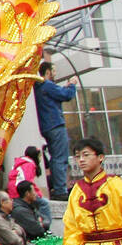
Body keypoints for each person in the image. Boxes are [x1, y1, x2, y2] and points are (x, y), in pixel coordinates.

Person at [35, 62, 77, 200]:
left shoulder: (40, 87)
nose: (55, 73)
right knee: (60, 157)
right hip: (55, 124)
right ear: (47, 72)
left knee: (56, 158)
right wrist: (71, 84)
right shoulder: (47, 85)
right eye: (53, 70)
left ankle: (58, 187)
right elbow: (66, 95)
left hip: (46, 126)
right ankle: (60, 189)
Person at [11, 181, 46, 245]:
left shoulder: (31, 206)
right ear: (27, 193)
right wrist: (40, 224)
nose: (36, 194)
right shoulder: (21, 211)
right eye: (34, 191)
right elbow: (38, 230)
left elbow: (44, 220)